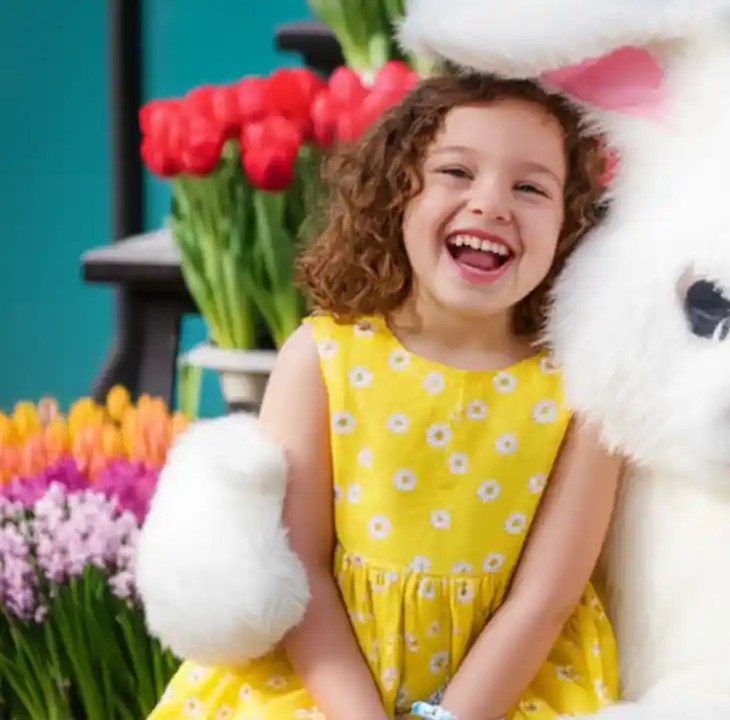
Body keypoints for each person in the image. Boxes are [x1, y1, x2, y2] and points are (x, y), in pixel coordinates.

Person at [148, 71, 622, 720]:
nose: (491, 203)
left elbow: (545, 599)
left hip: (505, 686)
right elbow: (301, 570)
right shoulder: (322, 357)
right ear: (396, 192)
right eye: (457, 172)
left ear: (571, 226)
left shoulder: (584, 388)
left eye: (531, 187)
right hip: (325, 679)